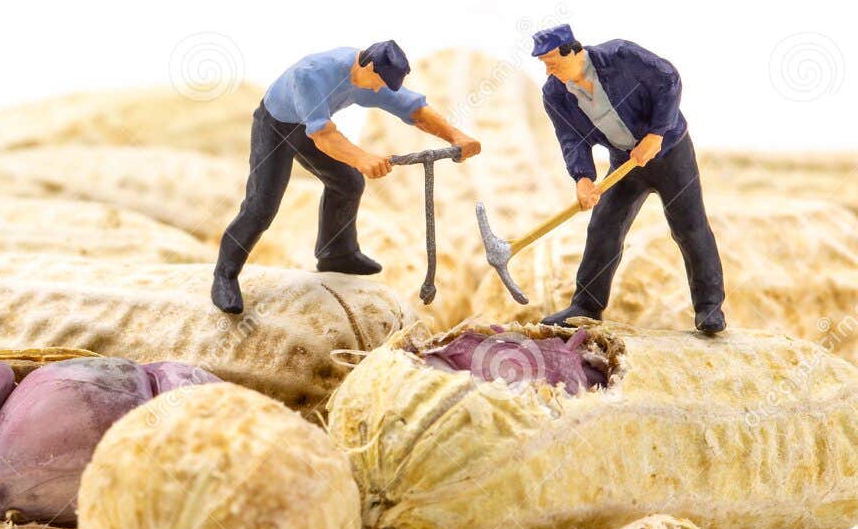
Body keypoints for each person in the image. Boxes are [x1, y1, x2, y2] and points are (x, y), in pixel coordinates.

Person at [211, 40, 480, 315]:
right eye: (378, 82)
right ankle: (224, 276)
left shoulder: (370, 78)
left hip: (310, 127)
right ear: (367, 65)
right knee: (261, 207)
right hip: (276, 128)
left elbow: (415, 111)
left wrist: (456, 136)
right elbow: (323, 136)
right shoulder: (312, 74)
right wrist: (362, 158)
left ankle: (336, 254)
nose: (379, 89)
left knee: (349, 182)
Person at [532, 23, 725, 333]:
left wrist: (656, 132)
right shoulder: (555, 93)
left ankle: (709, 307)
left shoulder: (620, 55)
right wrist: (582, 177)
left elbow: (668, 79)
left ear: (573, 52)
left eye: (552, 64)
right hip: (626, 163)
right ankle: (587, 305)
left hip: (670, 154)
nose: (548, 73)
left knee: (689, 227)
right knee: (603, 226)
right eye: (544, 66)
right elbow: (571, 138)